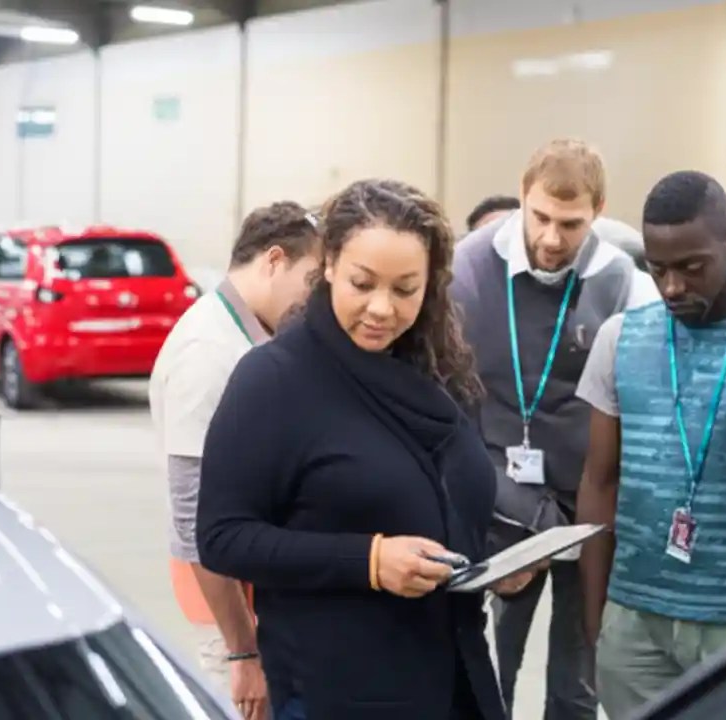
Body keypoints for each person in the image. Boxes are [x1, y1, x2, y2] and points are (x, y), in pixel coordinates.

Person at [197, 179, 509, 720]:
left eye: (406, 289)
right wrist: (368, 560)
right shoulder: (275, 380)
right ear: (331, 265)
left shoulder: (435, 369)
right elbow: (223, 537)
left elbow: (451, 487)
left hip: (452, 676)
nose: (382, 309)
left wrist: (492, 557)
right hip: (338, 691)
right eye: (363, 284)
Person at [450, 139, 657, 720]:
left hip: (586, 508)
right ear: (522, 196)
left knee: (577, 679)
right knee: (491, 670)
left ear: (599, 210)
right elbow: (446, 410)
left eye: (571, 224)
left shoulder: (622, 282)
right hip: (499, 507)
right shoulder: (465, 271)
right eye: (540, 217)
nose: (550, 238)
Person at [574, 171, 726, 719]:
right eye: (657, 267)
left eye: (692, 268)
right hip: (632, 620)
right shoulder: (620, 338)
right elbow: (600, 481)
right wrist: (597, 618)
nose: (672, 286)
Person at [149, 201, 322, 719]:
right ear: (274, 260)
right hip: (232, 608)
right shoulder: (208, 352)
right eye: (312, 281)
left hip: (265, 595)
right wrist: (243, 650)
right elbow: (192, 521)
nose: (316, 301)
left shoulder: (251, 336)